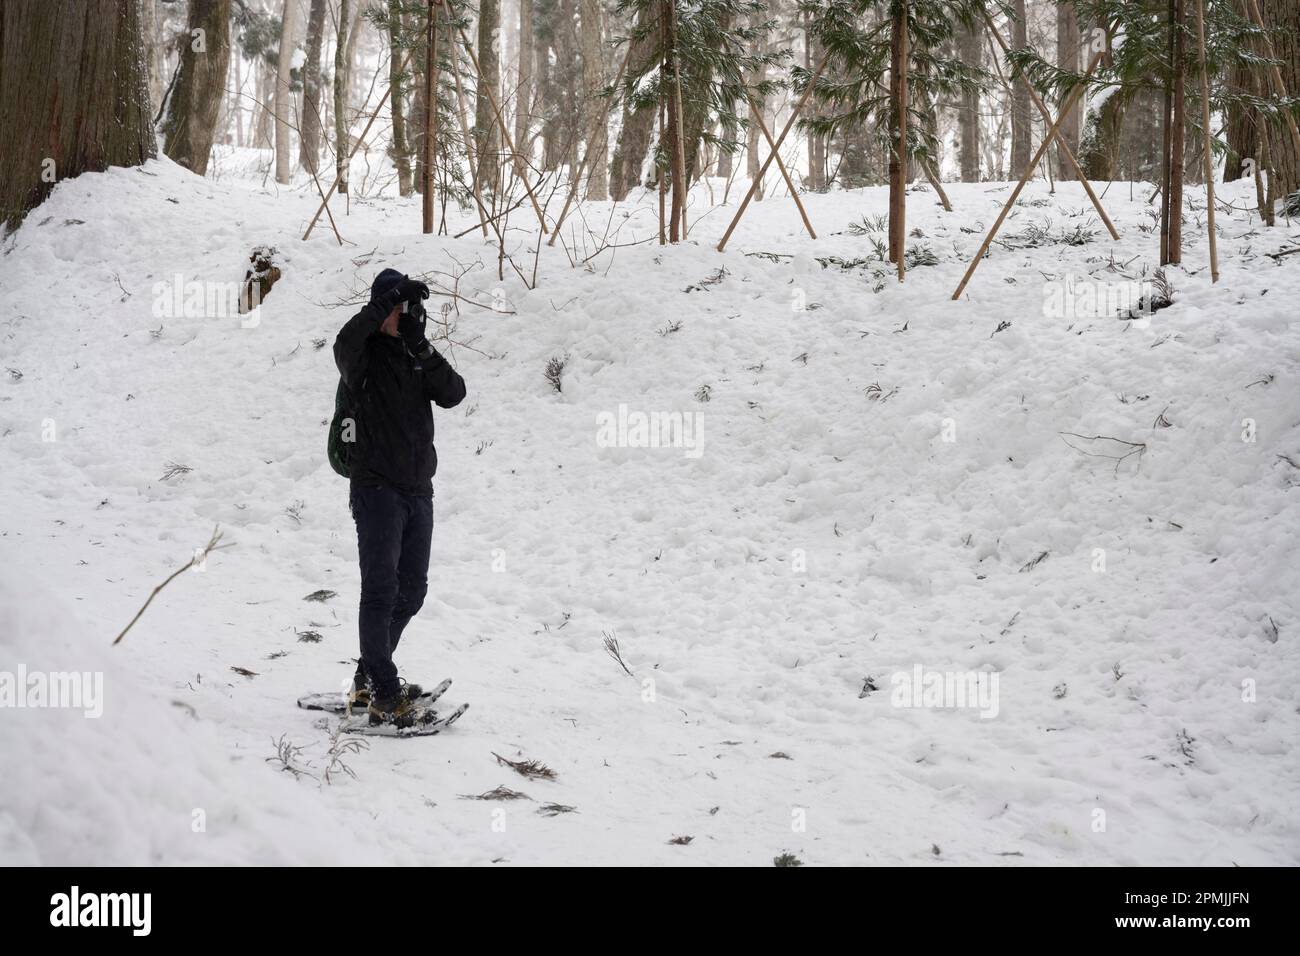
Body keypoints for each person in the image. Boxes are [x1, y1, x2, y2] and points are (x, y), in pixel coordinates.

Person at [333, 269, 466, 726]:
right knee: (380, 592)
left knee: (412, 592)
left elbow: (454, 393)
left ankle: (368, 678)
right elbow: (345, 340)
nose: (401, 314)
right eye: (393, 308)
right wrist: (384, 301)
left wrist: (421, 344)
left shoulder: (414, 353)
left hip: (418, 492)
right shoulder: (361, 357)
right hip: (376, 490)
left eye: (406, 307)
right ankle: (385, 694)